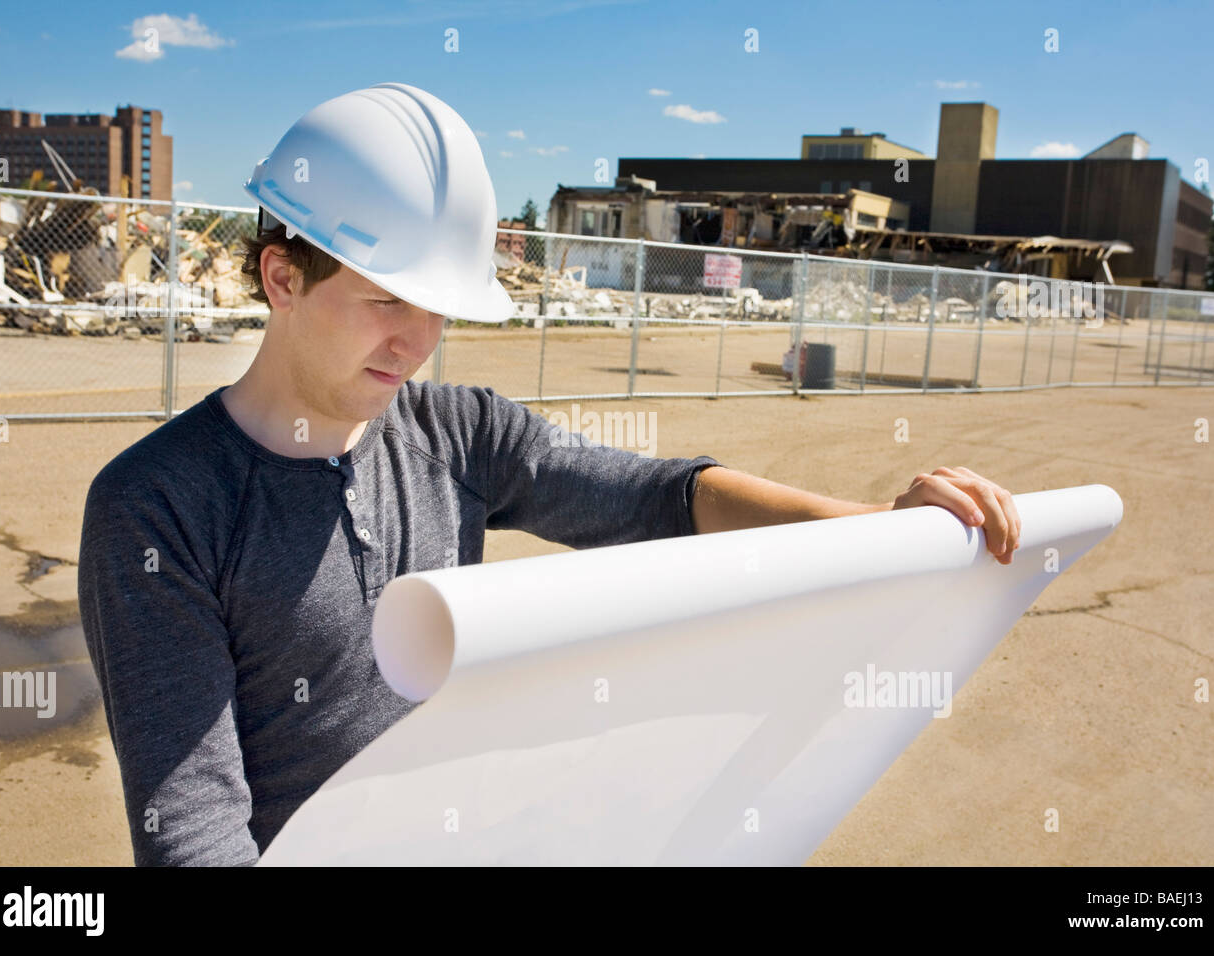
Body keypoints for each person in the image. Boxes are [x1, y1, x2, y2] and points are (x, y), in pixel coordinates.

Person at [78, 83, 1020, 866]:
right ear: (282, 278)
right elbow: (195, 839)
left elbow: (664, 497)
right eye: (386, 301)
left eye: (439, 307)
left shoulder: (458, 434)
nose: (418, 343)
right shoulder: (158, 510)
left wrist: (880, 527)